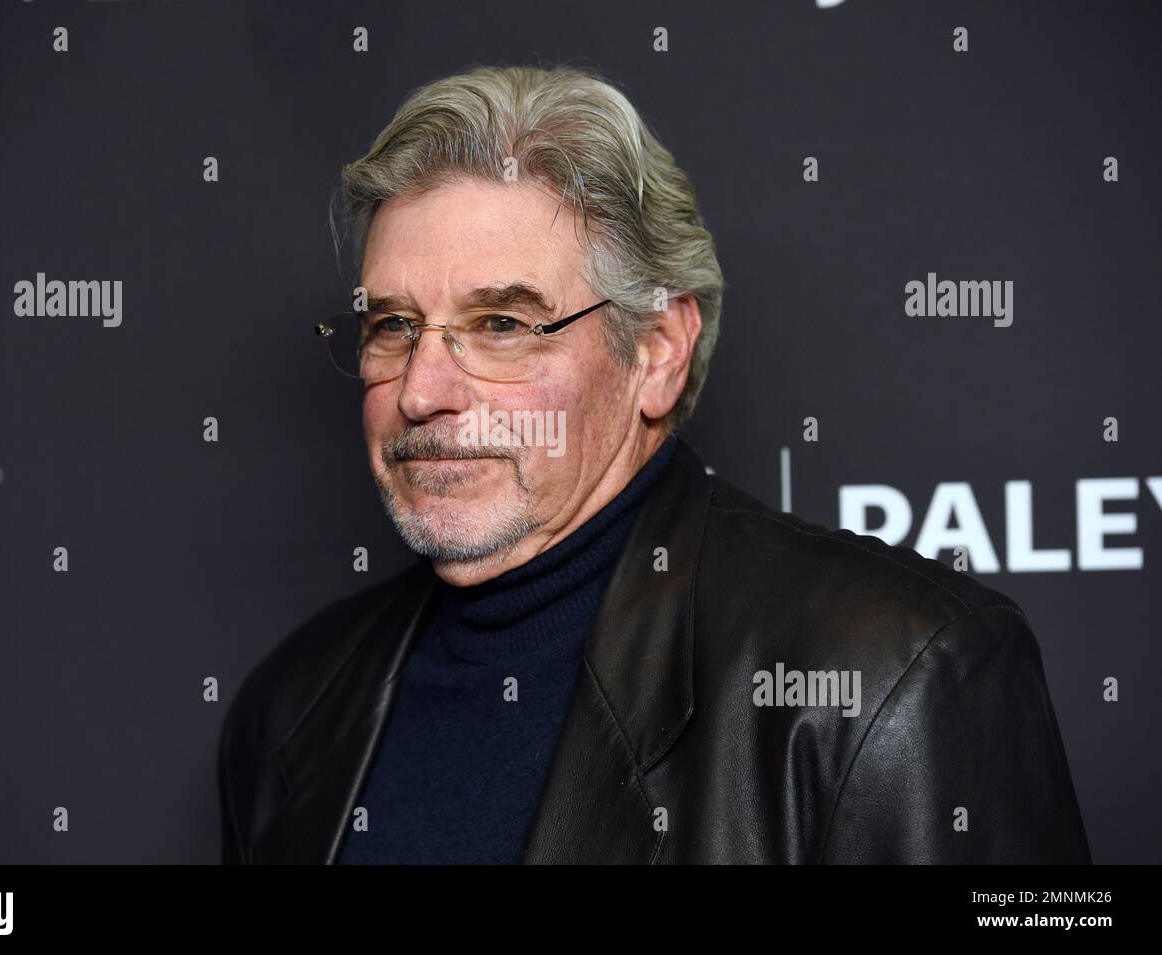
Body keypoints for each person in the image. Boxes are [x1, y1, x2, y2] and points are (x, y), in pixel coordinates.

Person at [218, 64, 1091, 864]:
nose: (422, 391)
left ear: (659, 352)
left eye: (502, 324)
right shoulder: (293, 710)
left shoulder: (895, 674)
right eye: (393, 326)